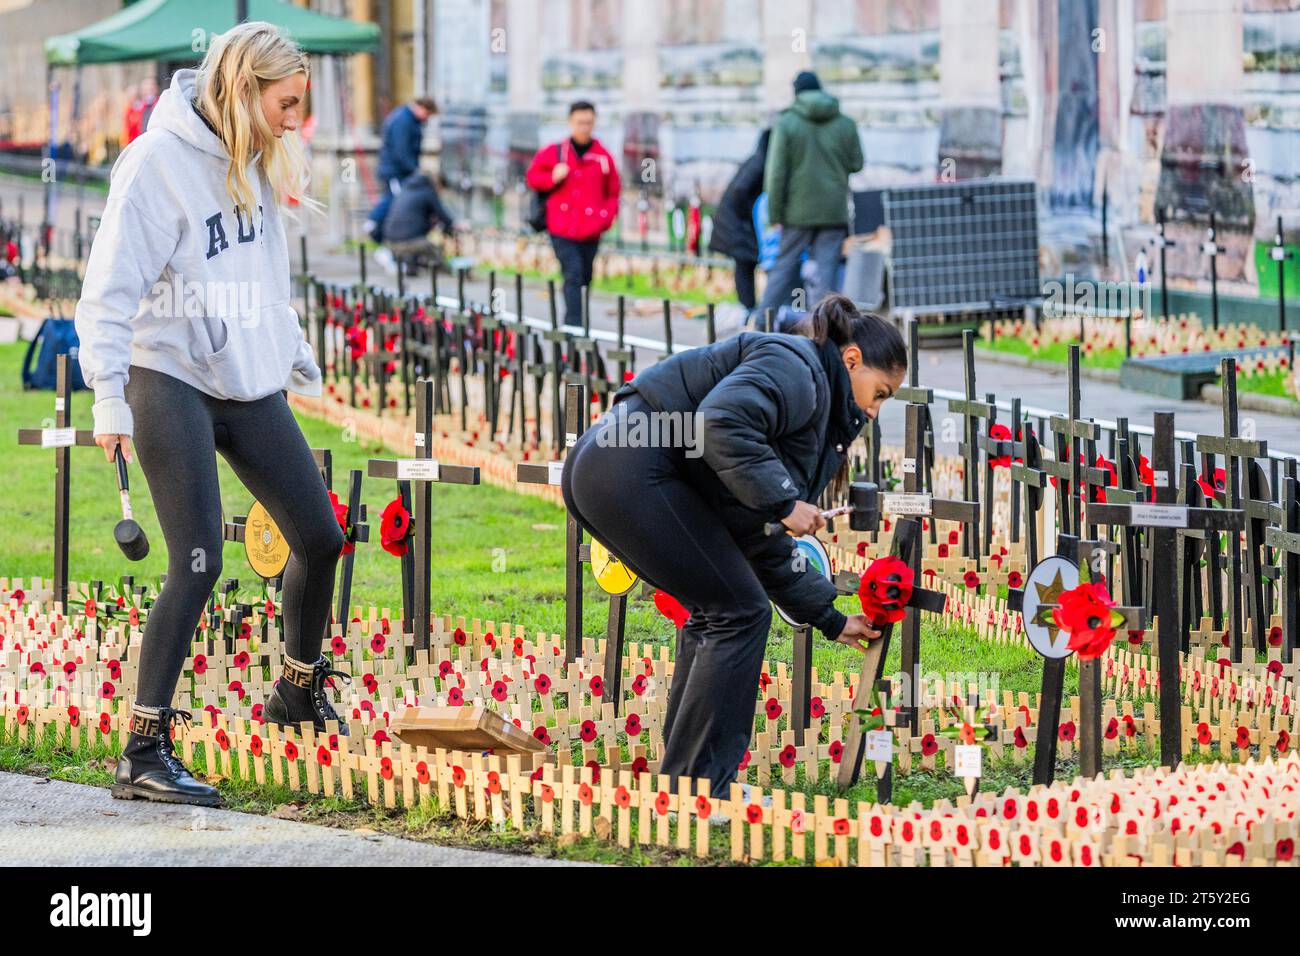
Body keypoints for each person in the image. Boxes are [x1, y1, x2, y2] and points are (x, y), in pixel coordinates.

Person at [74, 22, 347, 808]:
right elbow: (109, 288)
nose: (296, 119)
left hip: (241, 380)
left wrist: (289, 348)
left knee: (321, 537)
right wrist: (109, 395)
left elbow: (261, 272)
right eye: (287, 102)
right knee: (199, 560)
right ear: (242, 89)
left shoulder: (251, 159)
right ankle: (142, 749)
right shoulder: (155, 164)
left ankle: (296, 692)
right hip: (167, 376)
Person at [561, 294, 906, 792]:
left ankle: (686, 785)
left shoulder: (814, 414)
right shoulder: (798, 369)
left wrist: (829, 618)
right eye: (881, 392)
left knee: (721, 607)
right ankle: (700, 788)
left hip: (614, 463)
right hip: (631, 463)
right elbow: (719, 422)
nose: (875, 411)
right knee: (738, 612)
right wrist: (786, 501)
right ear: (851, 360)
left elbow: (753, 535)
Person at [756, 71, 864, 322]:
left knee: (783, 267)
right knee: (825, 273)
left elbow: (776, 173)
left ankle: (761, 324)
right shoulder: (845, 123)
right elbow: (857, 163)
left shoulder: (786, 122)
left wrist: (775, 213)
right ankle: (822, 332)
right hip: (832, 211)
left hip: (797, 212)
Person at [525, 101, 621, 325]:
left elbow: (613, 192)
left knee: (585, 277)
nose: (584, 127)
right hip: (562, 228)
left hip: (591, 230)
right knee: (573, 273)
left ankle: (580, 321)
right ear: (570, 122)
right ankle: (573, 326)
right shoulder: (554, 152)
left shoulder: (602, 157)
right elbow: (532, 178)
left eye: (588, 122)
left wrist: (604, 219)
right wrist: (552, 178)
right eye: (580, 122)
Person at [708, 128, 771, 319]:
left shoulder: (758, 159)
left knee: (746, 264)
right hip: (736, 225)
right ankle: (748, 310)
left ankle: (749, 309)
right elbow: (739, 192)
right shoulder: (760, 162)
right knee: (745, 264)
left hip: (735, 224)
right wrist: (750, 215)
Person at [365, 95, 438, 248]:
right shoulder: (403, 121)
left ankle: (377, 226)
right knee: (395, 199)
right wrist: (414, 170)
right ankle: (373, 223)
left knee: (394, 198)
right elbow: (402, 150)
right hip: (395, 171)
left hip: (398, 169)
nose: (427, 120)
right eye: (428, 115)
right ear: (421, 108)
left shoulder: (407, 119)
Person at [380, 168, 459, 276]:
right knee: (434, 250)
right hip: (410, 242)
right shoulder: (428, 192)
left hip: (389, 242)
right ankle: (453, 274)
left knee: (415, 242)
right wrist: (454, 227)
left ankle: (410, 265)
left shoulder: (405, 188)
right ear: (438, 184)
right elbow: (444, 217)